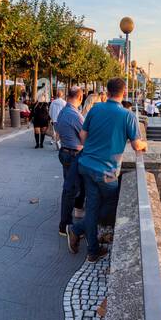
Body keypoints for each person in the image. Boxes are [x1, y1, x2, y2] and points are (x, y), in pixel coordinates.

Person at [66, 78, 147, 263]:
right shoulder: (127, 115)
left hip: (86, 165)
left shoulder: (95, 109)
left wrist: (93, 149)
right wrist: (145, 144)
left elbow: (82, 136)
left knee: (93, 205)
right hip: (107, 171)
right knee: (110, 204)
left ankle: (92, 251)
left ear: (108, 91)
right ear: (124, 93)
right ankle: (78, 230)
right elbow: (136, 145)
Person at [54, 87, 86, 239]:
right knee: (70, 190)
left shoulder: (62, 112)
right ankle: (65, 225)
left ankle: (74, 214)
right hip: (73, 154)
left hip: (65, 151)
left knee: (71, 187)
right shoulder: (75, 115)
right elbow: (85, 138)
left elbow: (57, 131)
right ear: (80, 98)